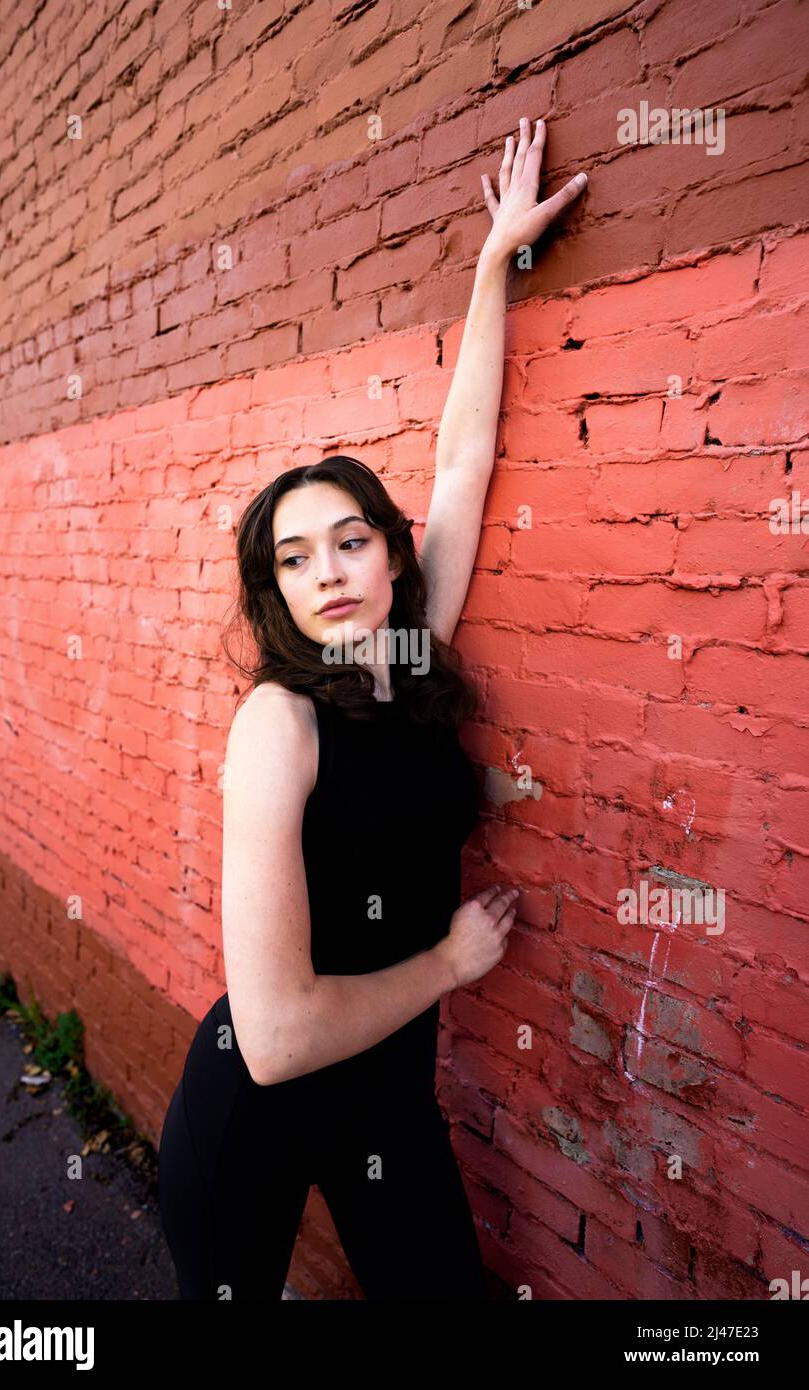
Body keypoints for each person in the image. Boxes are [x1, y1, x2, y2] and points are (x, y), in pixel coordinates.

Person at [158, 117, 586, 1300]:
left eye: (350, 540)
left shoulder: (411, 646)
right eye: (294, 559)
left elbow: (461, 457)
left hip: (390, 1092)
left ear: (391, 558)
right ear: (275, 592)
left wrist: (492, 259)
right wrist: (450, 960)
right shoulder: (277, 724)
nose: (328, 571)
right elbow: (282, 1033)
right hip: (256, 1106)